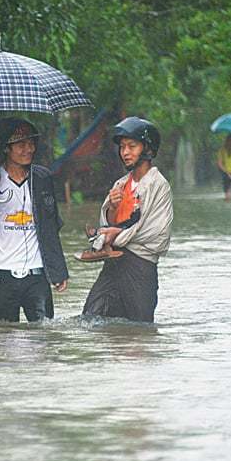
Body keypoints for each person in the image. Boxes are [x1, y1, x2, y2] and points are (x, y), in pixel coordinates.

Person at [0, 118, 68, 322]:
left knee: (43, 333)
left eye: (31, 143)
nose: (28, 149)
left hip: (37, 272)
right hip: (3, 272)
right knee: (5, 335)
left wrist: (59, 270)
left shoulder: (42, 178)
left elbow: (51, 227)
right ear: (6, 148)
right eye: (21, 144)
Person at [81, 117, 173, 323]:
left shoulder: (159, 185)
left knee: (140, 330)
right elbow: (109, 221)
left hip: (140, 267)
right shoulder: (121, 183)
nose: (125, 152)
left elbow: (157, 233)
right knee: (89, 319)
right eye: (122, 147)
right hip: (113, 263)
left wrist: (116, 235)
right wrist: (113, 207)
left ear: (147, 148)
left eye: (132, 146)